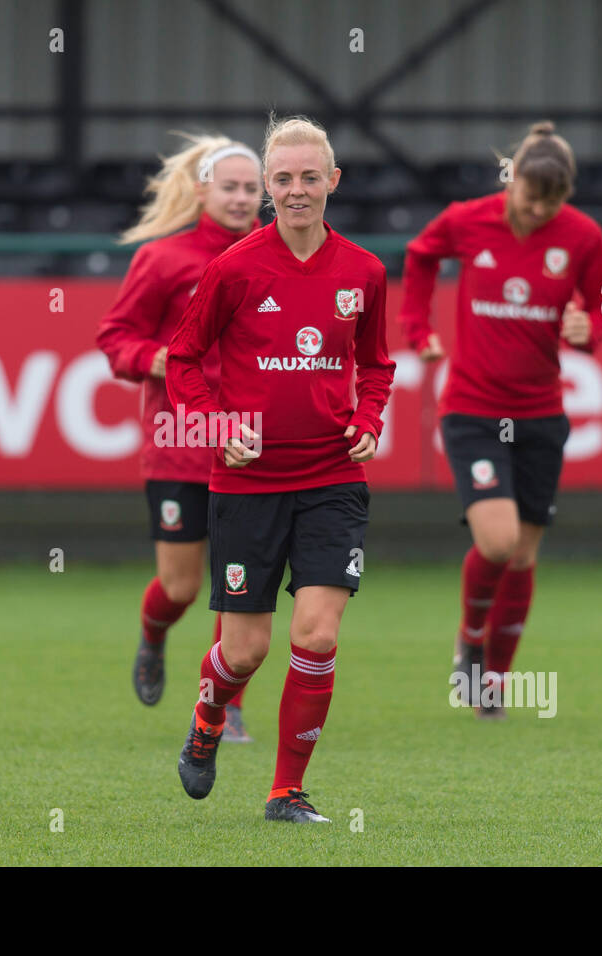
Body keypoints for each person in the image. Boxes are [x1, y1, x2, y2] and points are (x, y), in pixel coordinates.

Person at [166, 115, 394, 822]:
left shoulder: (365, 271)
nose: (297, 190)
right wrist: (215, 423)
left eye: (310, 177)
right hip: (247, 487)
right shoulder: (234, 269)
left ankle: (285, 791)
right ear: (267, 186)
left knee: (317, 635)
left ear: (333, 181)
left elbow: (377, 363)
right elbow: (183, 358)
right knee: (245, 651)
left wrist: (369, 419)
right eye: (284, 179)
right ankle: (206, 724)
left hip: (332, 480)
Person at [398, 121, 602, 718]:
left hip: (541, 414)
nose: (538, 209)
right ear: (511, 179)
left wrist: (589, 330)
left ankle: (492, 683)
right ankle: (469, 638)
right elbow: (419, 257)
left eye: (551, 201)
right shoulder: (468, 219)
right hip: (472, 408)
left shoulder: (582, 236)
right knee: (497, 541)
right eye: (529, 196)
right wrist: (418, 330)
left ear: (564, 196)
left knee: (523, 557)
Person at [96, 133, 263, 743]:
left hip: (248, 441)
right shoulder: (164, 260)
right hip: (179, 437)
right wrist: (157, 358)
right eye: (231, 187)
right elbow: (115, 337)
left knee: (238, 583)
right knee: (182, 586)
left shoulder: (276, 256)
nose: (243, 199)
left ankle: (227, 702)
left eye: (252, 189)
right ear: (202, 190)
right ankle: (155, 633)